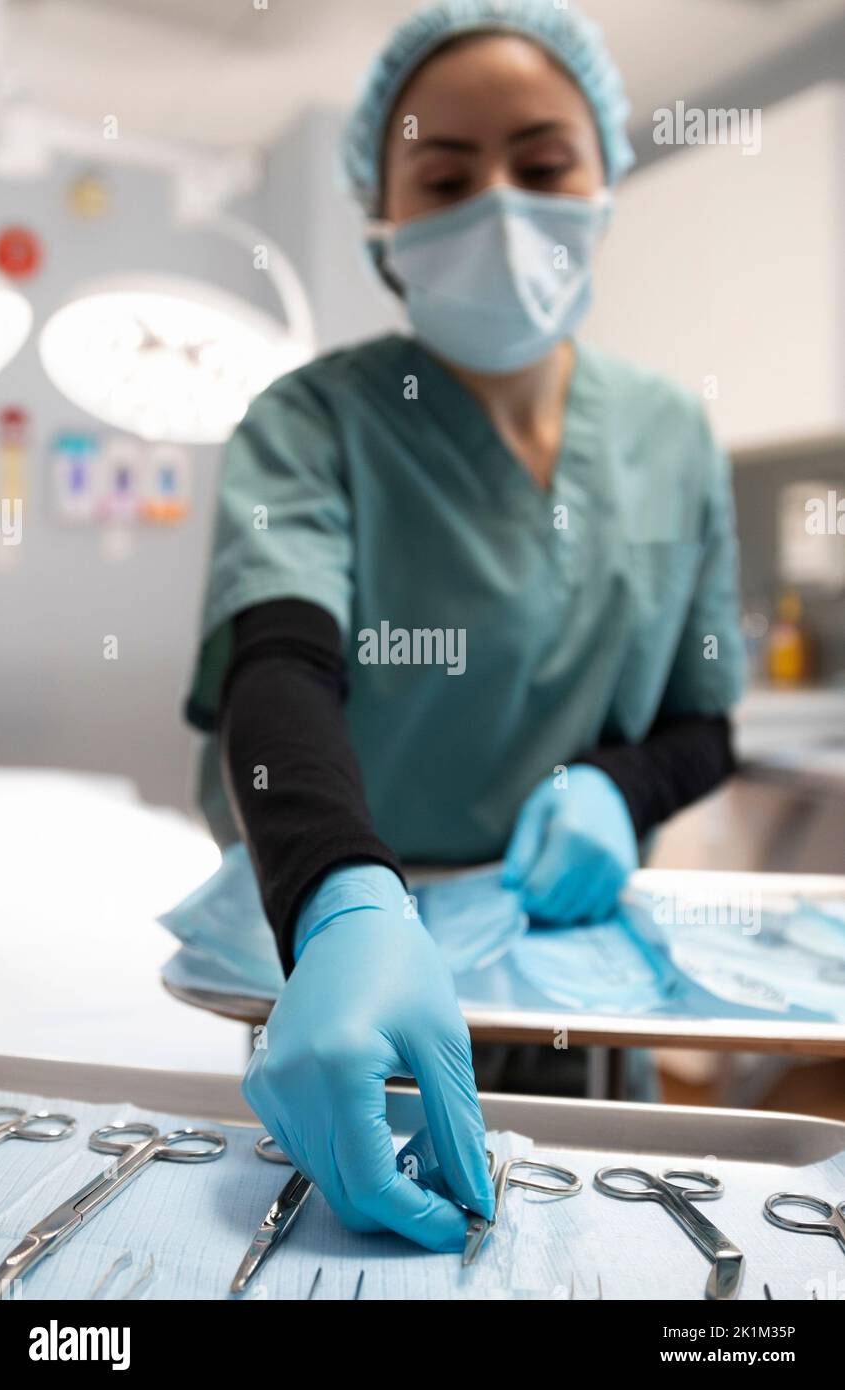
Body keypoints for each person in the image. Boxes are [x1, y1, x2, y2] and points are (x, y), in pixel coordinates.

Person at [184, 0, 744, 1252]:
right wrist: (342, 901)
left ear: (604, 185)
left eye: (542, 165)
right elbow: (276, 671)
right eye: (445, 172)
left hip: (574, 975)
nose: (498, 204)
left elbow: (710, 722)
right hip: (345, 973)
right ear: (384, 217)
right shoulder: (311, 420)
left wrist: (617, 781)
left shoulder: (670, 434)